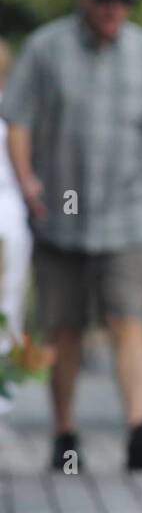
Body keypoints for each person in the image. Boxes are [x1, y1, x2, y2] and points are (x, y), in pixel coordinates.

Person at [1, 0, 142, 470]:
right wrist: (27, 180)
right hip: (60, 212)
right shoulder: (47, 49)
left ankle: (140, 425)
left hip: (126, 211)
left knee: (128, 316)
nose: (113, 8)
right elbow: (20, 119)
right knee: (64, 326)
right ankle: (64, 429)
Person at [0, 39, 33, 412]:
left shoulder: (16, 107)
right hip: (10, 207)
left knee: (10, 296)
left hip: (9, 205)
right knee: (8, 298)